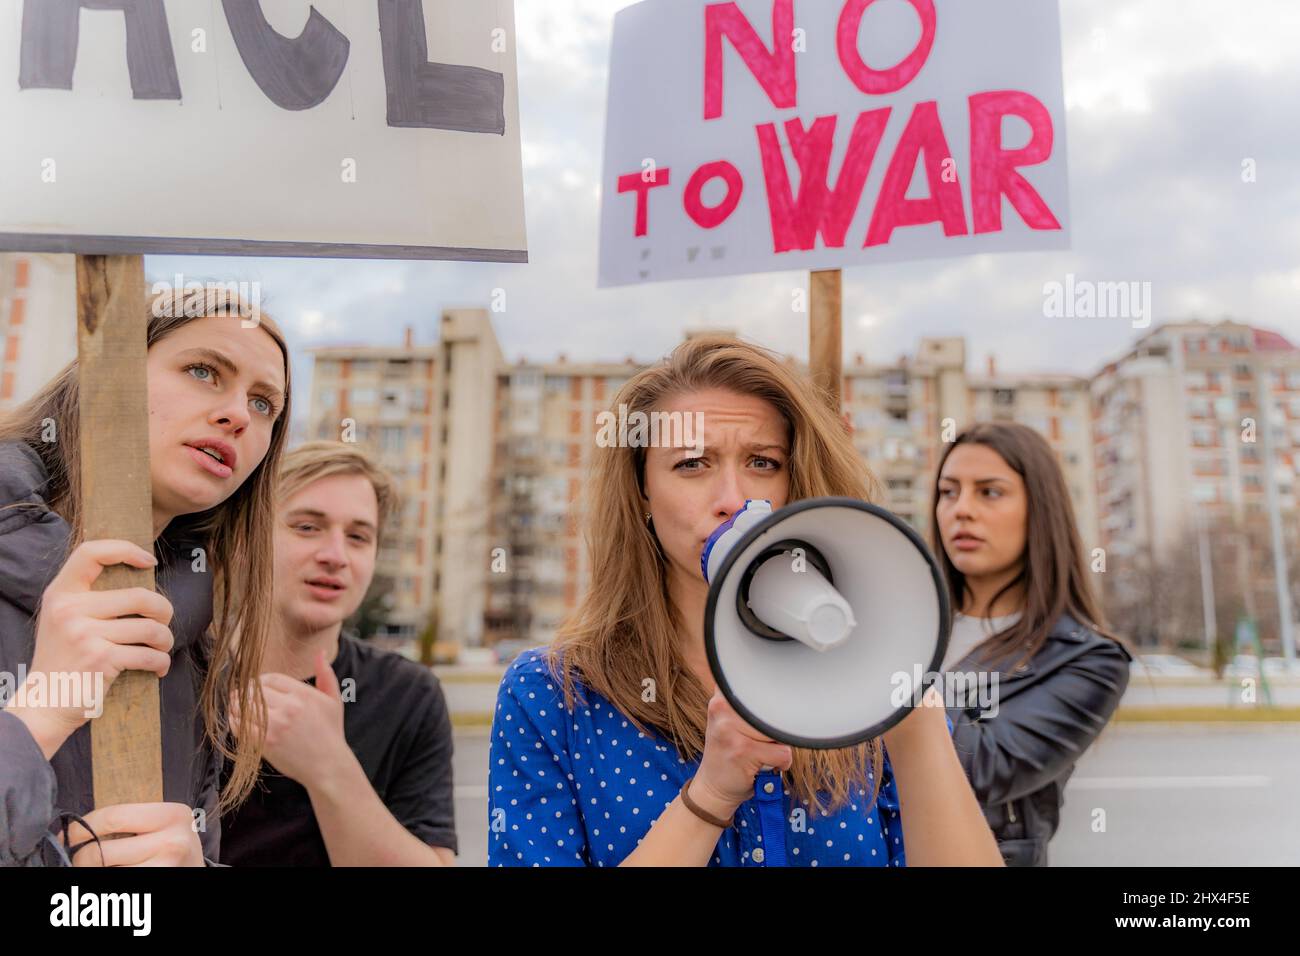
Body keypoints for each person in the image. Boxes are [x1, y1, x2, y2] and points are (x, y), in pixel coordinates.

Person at [488, 335, 1003, 867]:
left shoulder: (869, 683)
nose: (733, 499)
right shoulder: (553, 697)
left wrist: (915, 724)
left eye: (763, 462)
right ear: (642, 490)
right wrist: (710, 795)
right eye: (692, 464)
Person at [0, 287, 290, 866]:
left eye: (263, 404)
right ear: (108, 375)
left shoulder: (197, 647)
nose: (238, 415)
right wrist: (44, 712)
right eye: (203, 371)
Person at [219, 442, 456, 866]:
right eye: (308, 527)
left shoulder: (408, 695)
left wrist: (328, 766)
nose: (335, 556)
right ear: (245, 538)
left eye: (358, 537)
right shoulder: (180, 676)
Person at [931, 422, 1132, 866]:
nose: (961, 510)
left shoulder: (1087, 660)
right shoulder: (906, 619)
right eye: (948, 492)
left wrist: (882, 677)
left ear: (1040, 508)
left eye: (990, 492)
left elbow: (983, 767)